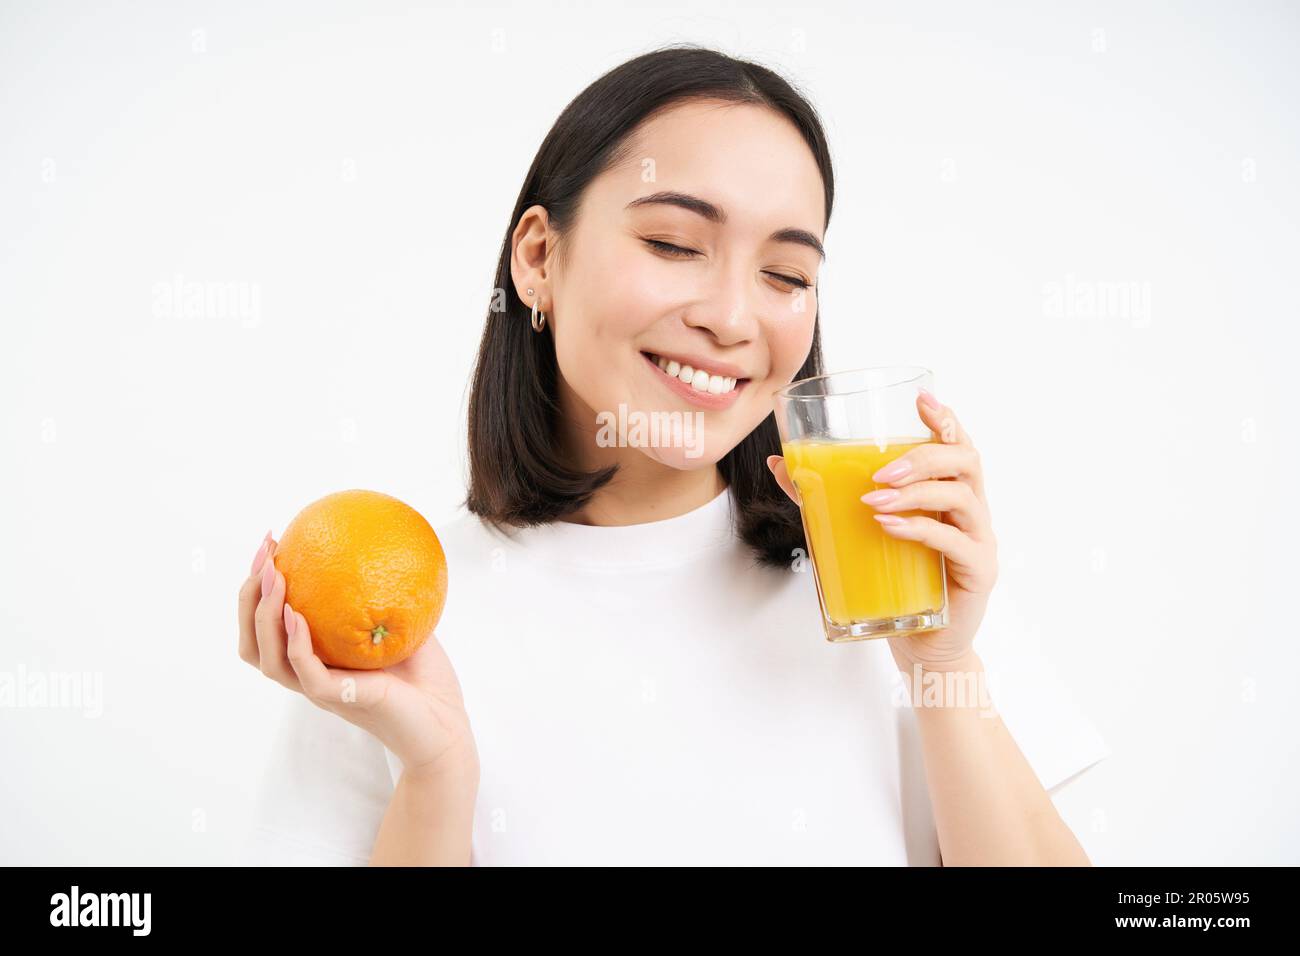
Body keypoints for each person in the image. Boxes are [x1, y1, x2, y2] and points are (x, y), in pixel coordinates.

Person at [238, 45, 1108, 866]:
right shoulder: (400, 611)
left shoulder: (890, 571)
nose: (732, 318)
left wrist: (941, 666)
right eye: (673, 245)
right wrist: (436, 775)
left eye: (786, 275)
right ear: (539, 258)